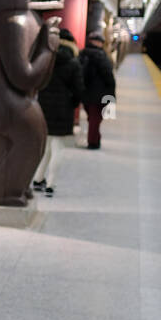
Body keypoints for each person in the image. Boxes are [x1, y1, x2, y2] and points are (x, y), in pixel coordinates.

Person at [34, 27, 83, 196]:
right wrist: (73, 103)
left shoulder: (47, 59)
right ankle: (51, 183)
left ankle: (38, 179)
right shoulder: (73, 63)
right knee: (57, 147)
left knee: (46, 145)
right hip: (63, 109)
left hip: (44, 107)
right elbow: (79, 90)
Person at [79, 29, 116, 149]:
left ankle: (96, 138)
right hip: (99, 93)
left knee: (92, 118)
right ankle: (93, 142)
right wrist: (111, 93)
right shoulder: (101, 56)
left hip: (85, 92)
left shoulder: (82, 54)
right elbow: (108, 76)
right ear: (98, 42)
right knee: (95, 119)